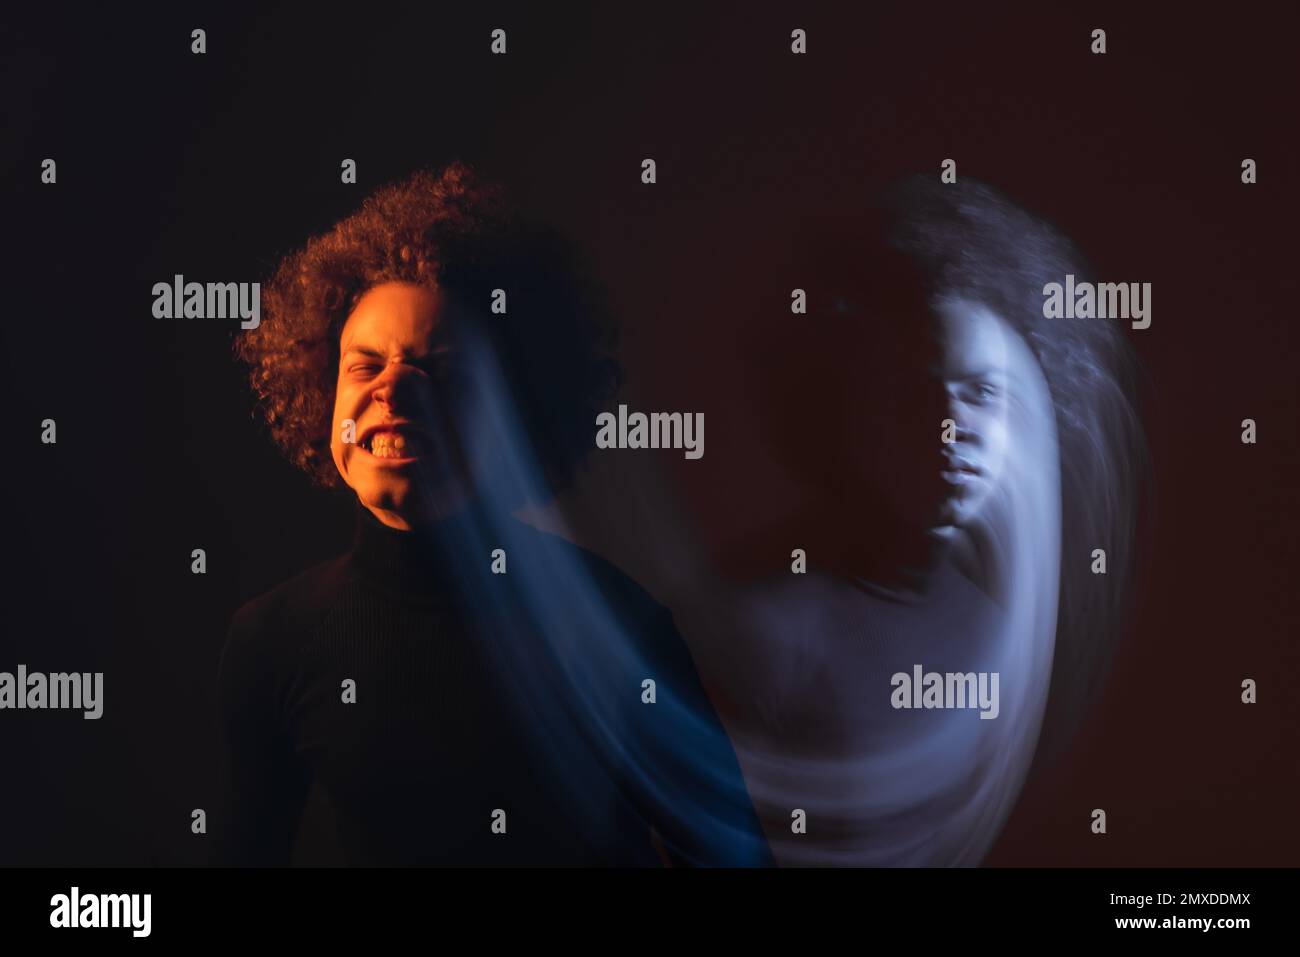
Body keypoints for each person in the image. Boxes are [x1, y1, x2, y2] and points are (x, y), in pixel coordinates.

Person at [215, 162, 772, 867]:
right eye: (365, 364)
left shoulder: (616, 625)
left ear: (517, 412)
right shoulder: (271, 640)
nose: (392, 390)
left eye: (438, 368)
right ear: (320, 391)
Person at [678, 176, 1145, 865]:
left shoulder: (986, 629)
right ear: (852, 403)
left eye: (983, 391)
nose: (955, 428)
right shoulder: (757, 630)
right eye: (918, 389)